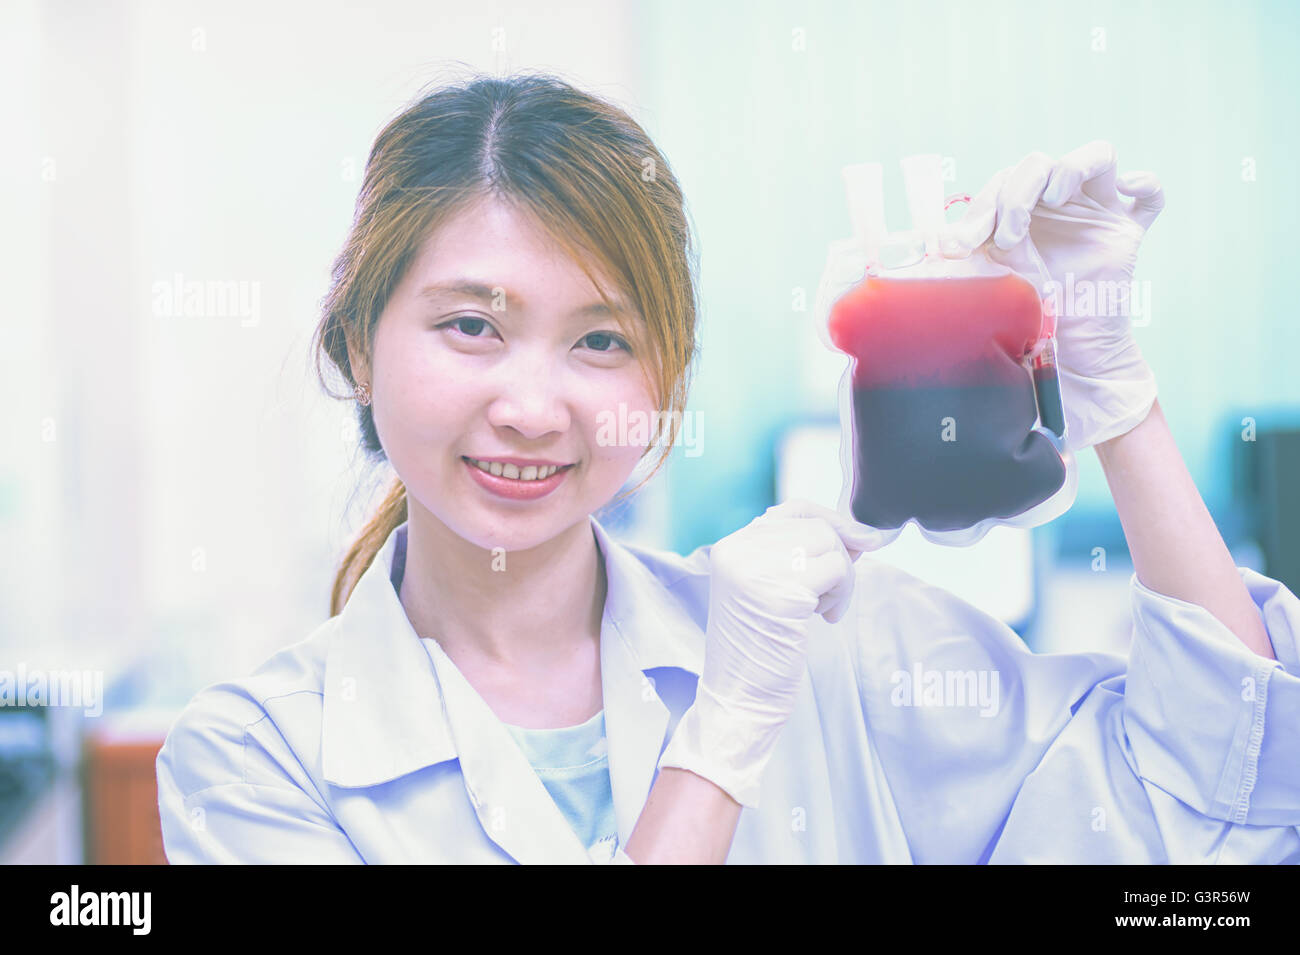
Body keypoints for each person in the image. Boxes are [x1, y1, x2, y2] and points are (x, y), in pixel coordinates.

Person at [155, 71, 1300, 865]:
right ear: (359, 342)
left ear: (663, 387)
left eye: (601, 340)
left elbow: (1205, 804)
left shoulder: (844, 649)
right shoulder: (257, 760)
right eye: (471, 325)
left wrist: (1113, 387)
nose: (532, 405)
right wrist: (719, 743)